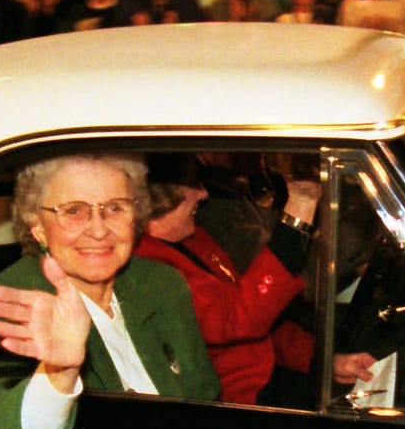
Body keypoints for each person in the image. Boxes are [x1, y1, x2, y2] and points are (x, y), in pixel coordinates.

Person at [0, 154, 218, 429]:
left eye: (115, 208)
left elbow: (205, 404)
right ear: (37, 227)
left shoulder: (162, 284)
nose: (98, 230)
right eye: (74, 211)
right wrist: (58, 374)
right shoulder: (10, 304)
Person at [134, 157, 375, 406]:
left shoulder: (192, 238)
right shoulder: (145, 264)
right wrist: (300, 205)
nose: (203, 194)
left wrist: (325, 361)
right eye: (193, 184)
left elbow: (266, 323)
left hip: (271, 378)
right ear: (161, 196)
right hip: (235, 403)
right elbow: (239, 319)